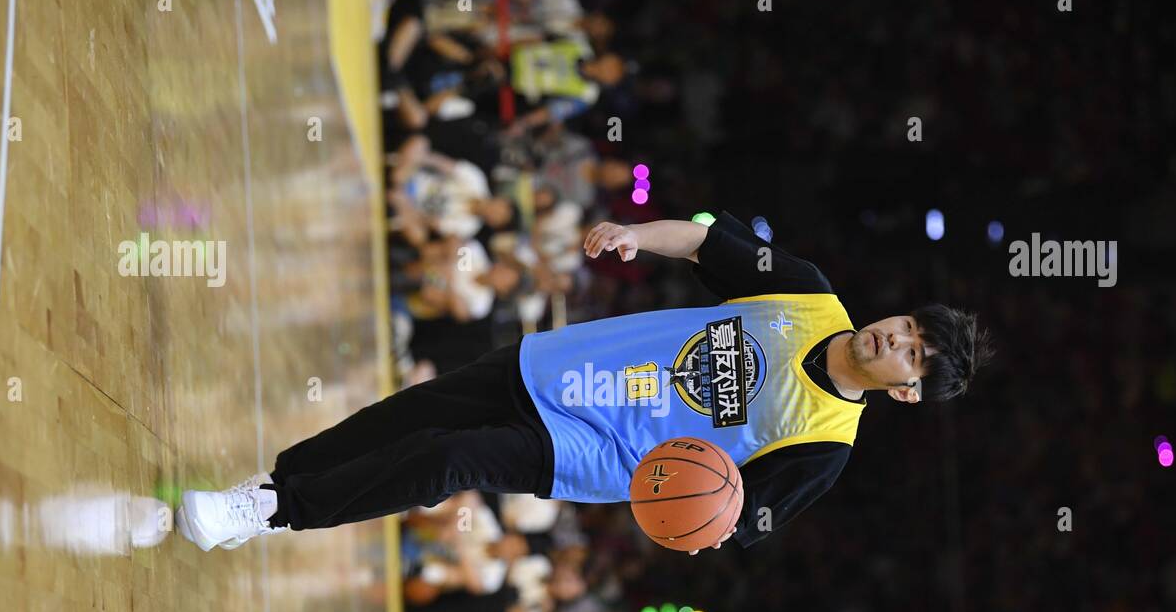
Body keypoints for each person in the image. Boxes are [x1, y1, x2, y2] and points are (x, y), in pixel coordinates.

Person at [175, 212, 994, 553]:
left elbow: (736, 523)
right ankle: (279, 487)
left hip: (599, 449)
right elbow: (709, 240)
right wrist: (640, 233)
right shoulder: (807, 291)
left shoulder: (825, 446)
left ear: (906, 391)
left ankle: (276, 510)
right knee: (406, 415)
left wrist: (689, 516)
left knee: (449, 460)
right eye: (911, 328)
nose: (898, 340)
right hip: (568, 366)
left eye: (914, 356)